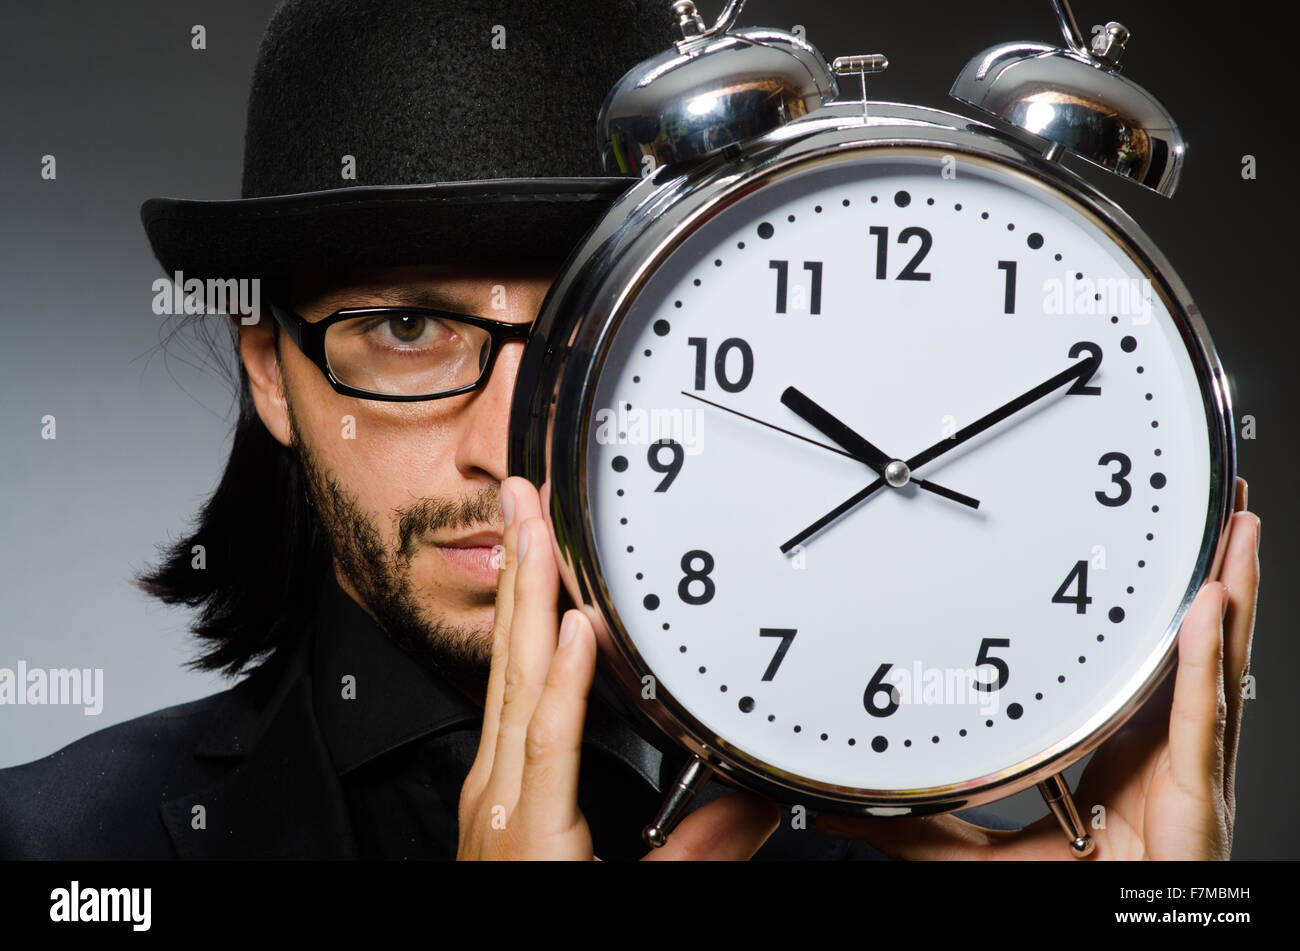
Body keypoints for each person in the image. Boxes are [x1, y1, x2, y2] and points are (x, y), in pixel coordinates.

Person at [0, 0, 1261, 862]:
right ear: (273, 373)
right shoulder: (55, 852)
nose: (510, 443)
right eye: (404, 331)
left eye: (583, 347)